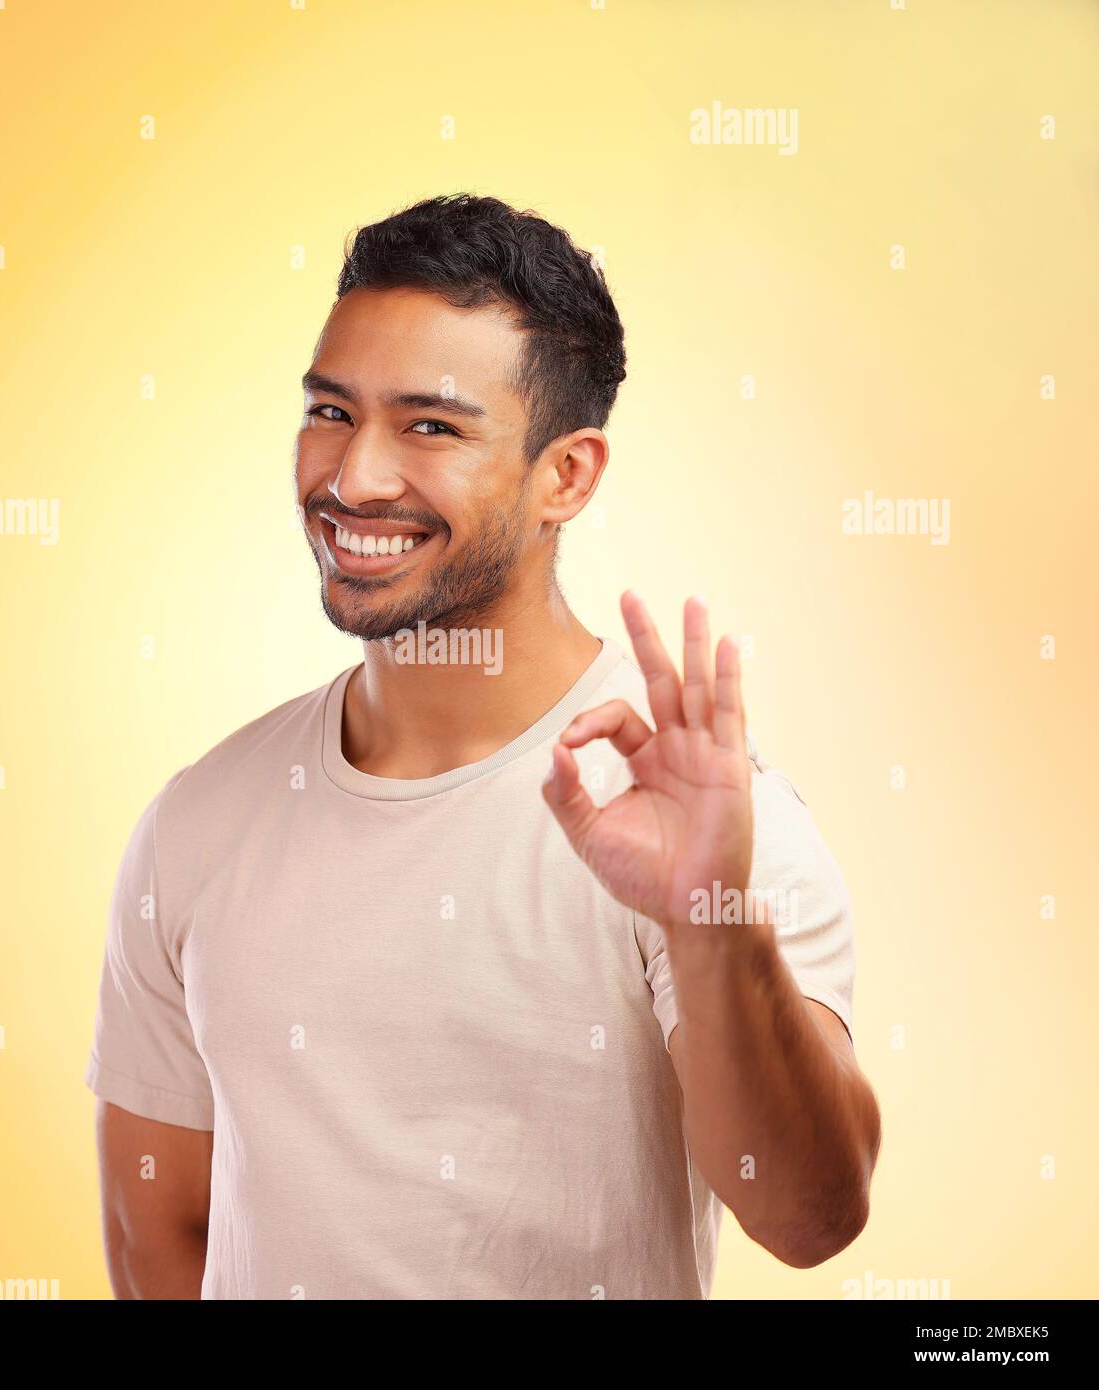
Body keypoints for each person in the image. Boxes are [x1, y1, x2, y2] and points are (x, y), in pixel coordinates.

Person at [85, 192, 881, 1300]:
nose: (353, 477)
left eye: (430, 425)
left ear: (567, 475)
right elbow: (159, 1232)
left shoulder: (700, 825)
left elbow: (808, 1216)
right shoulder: (198, 821)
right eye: (330, 411)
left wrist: (709, 916)